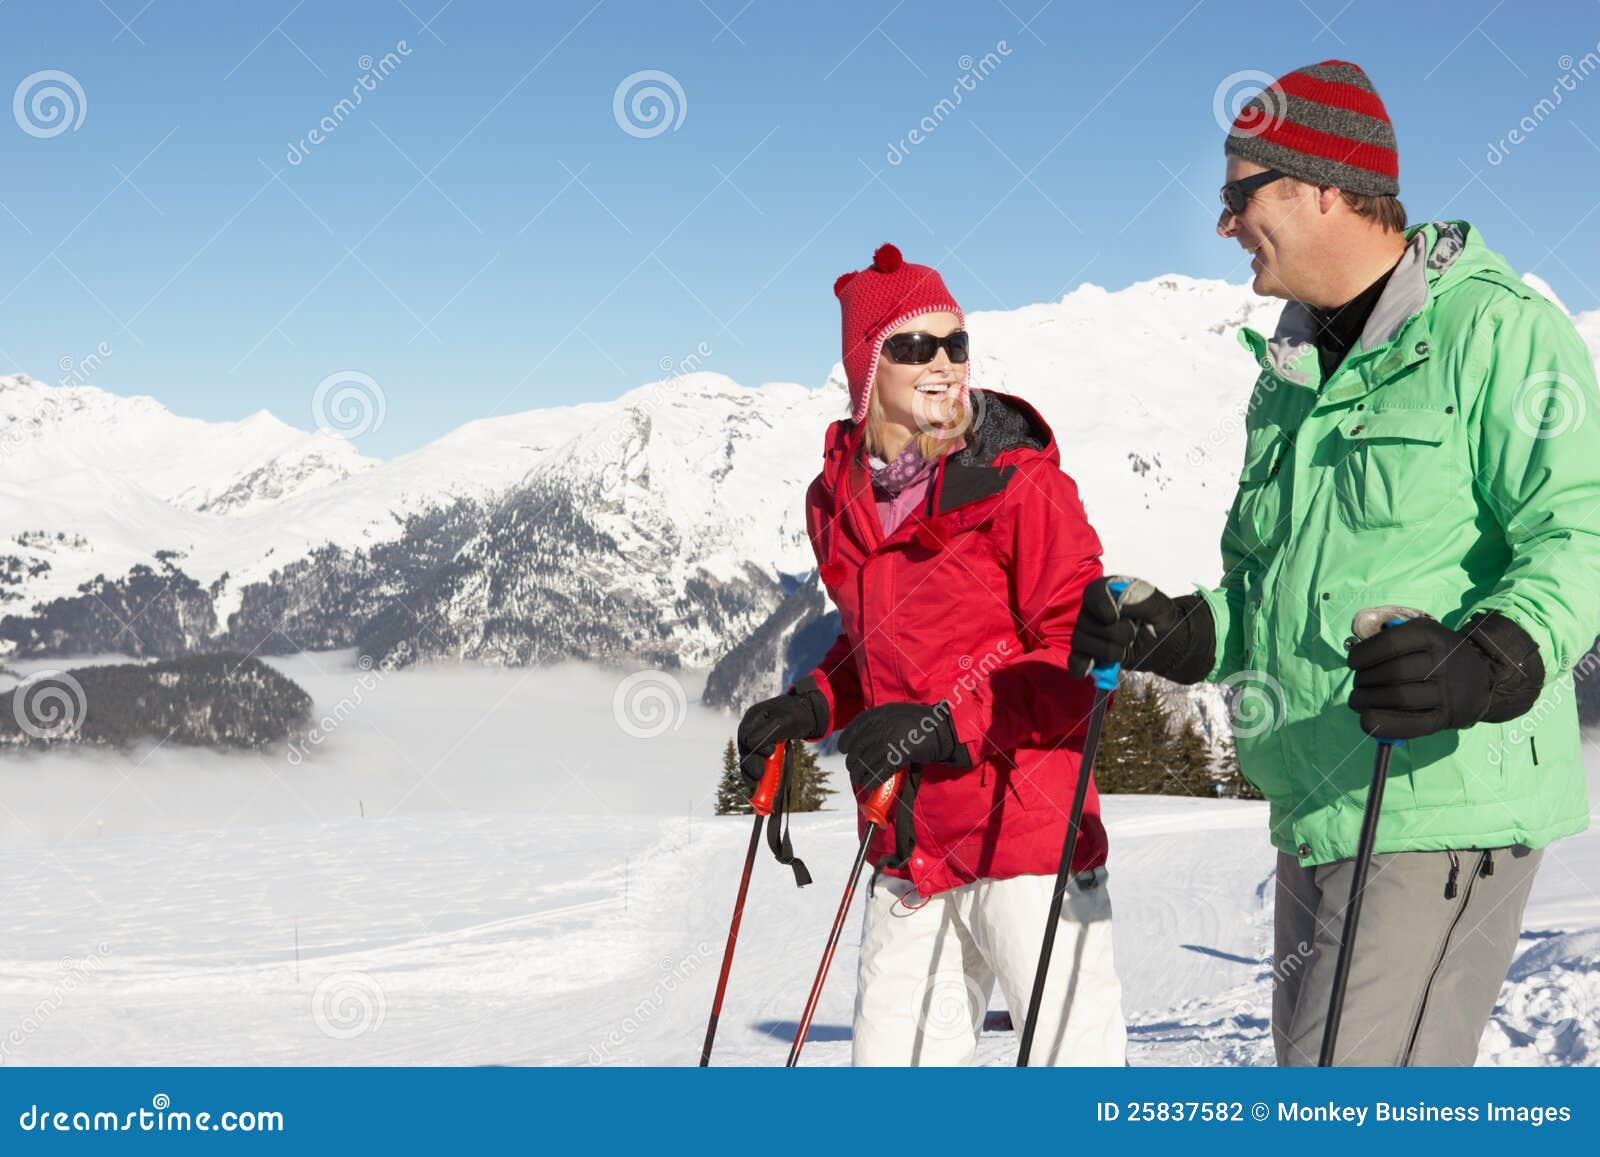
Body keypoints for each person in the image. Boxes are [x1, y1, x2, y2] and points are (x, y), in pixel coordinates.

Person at [1070, 60, 1600, 1065]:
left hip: (1439, 796)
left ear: (1320, 188)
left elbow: (1579, 533)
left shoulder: (1492, 332)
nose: (1224, 225)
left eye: (1239, 197)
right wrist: (1185, 630)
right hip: (1319, 802)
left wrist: (1489, 658)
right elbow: (1273, 590)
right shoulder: (1290, 372)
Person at [737, 243, 1127, 1065]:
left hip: (1028, 842)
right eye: (914, 346)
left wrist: (950, 724)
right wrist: (814, 701)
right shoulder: (839, 502)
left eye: (955, 343)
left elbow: (1083, 664)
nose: (943, 363)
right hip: (910, 837)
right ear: (867, 368)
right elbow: (870, 647)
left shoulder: (1022, 487)